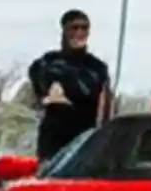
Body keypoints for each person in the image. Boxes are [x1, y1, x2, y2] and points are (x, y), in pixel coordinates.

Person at [27, 9, 110, 161]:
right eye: (74, 28)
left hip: (83, 146)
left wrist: (66, 90)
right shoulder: (47, 61)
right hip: (51, 149)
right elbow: (40, 82)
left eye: (84, 28)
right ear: (64, 30)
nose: (79, 32)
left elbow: (92, 94)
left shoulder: (96, 67)